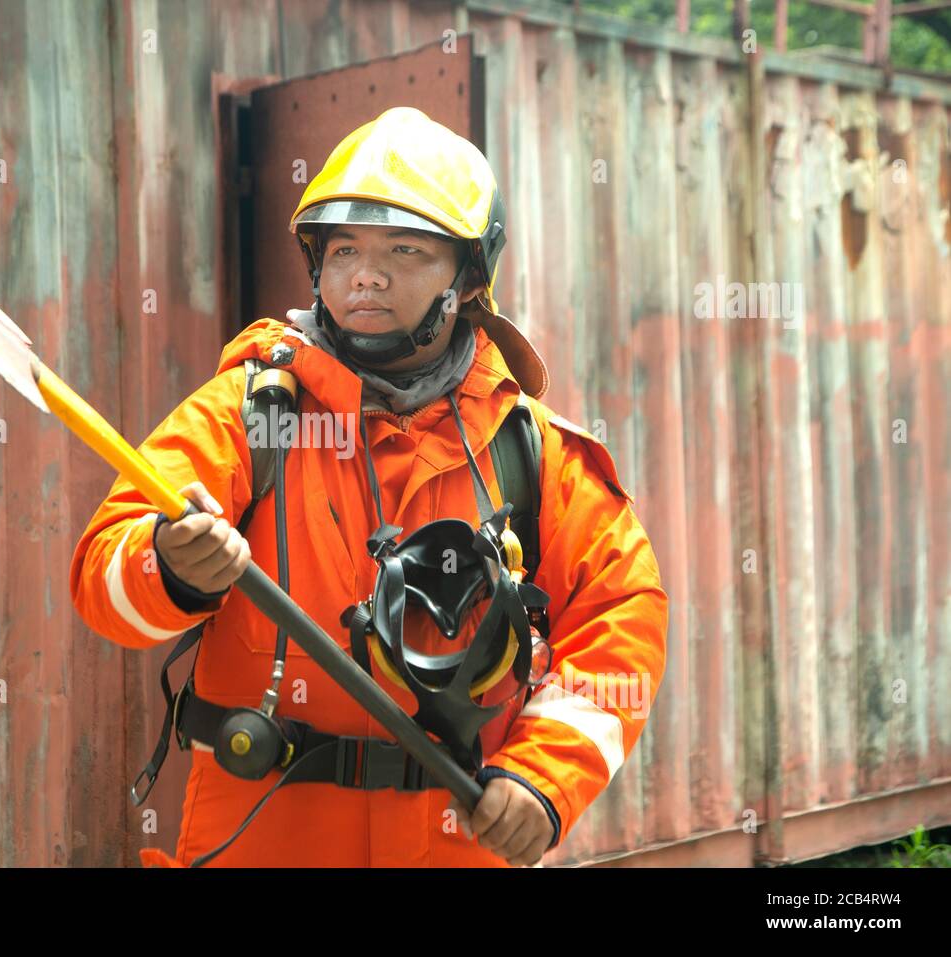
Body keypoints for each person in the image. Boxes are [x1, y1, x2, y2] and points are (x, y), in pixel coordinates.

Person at [71, 107, 668, 867]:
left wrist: (544, 775)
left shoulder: (530, 449)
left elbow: (622, 617)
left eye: (406, 250)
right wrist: (169, 564)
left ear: (469, 277)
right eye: (344, 247)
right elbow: (103, 574)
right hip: (259, 838)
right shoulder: (250, 415)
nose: (366, 274)